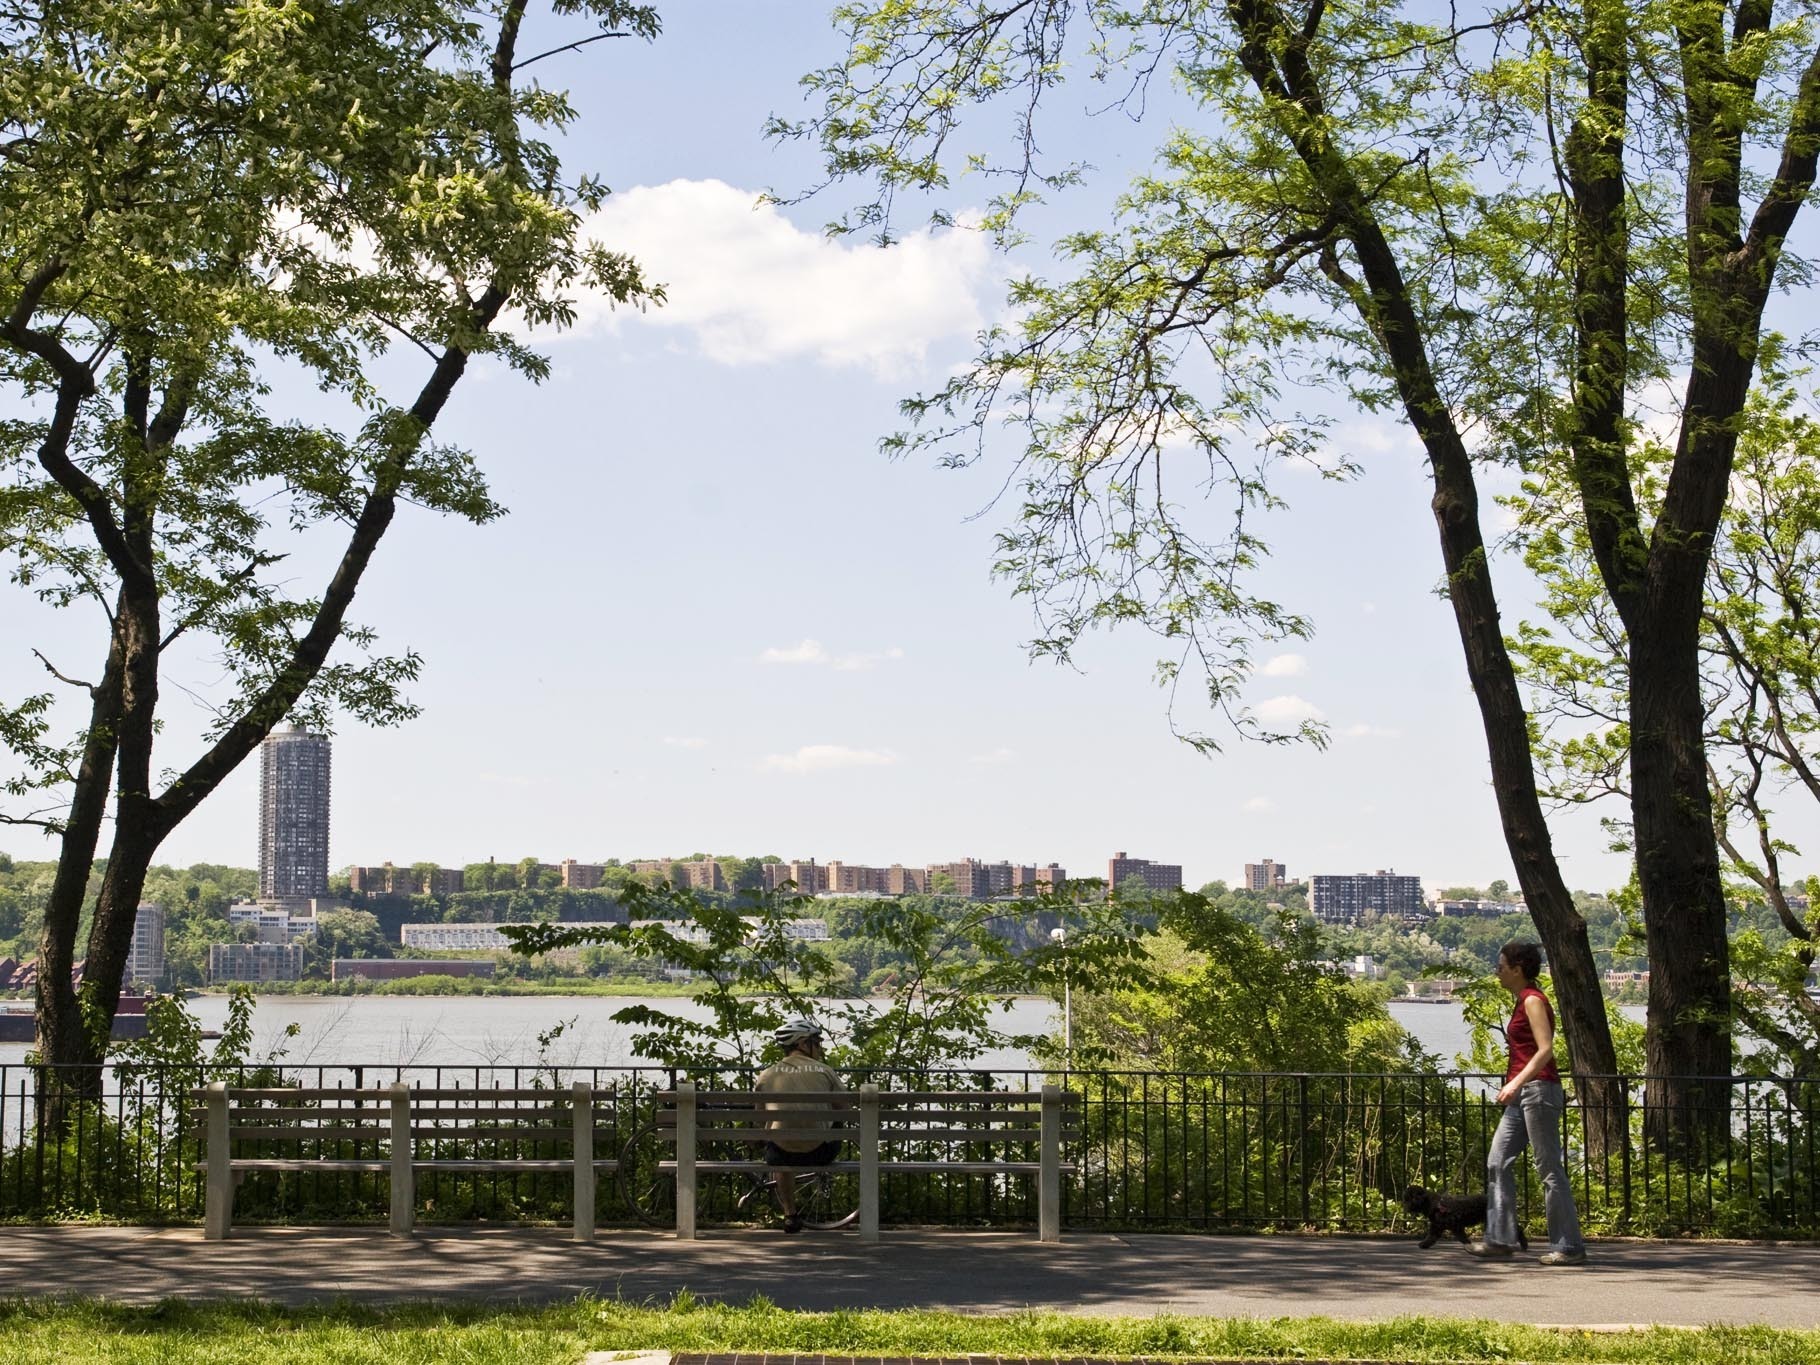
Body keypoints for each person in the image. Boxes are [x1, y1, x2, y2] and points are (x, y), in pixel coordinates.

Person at [1470, 941, 1587, 1266]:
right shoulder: (1522, 999)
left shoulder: (1533, 1000)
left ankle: (1569, 1247)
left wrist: (1515, 1084)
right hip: (1524, 1094)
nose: (1498, 972)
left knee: (1549, 1168)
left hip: (1538, 1091)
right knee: (1498, 1161)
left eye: (1501, 966)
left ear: (1518, 970)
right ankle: (1500, 1239)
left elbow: (1545, 1049)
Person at [753, 1017, 844, 1233]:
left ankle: (790, 1215)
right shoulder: (824, 1070)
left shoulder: (766, 1075)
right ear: (803, 1044)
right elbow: (845, 1110)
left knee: (777, 1136)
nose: (820, 1048)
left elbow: (759, 1119)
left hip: (781, 1155)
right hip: (820, 1152)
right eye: (817, 1042)